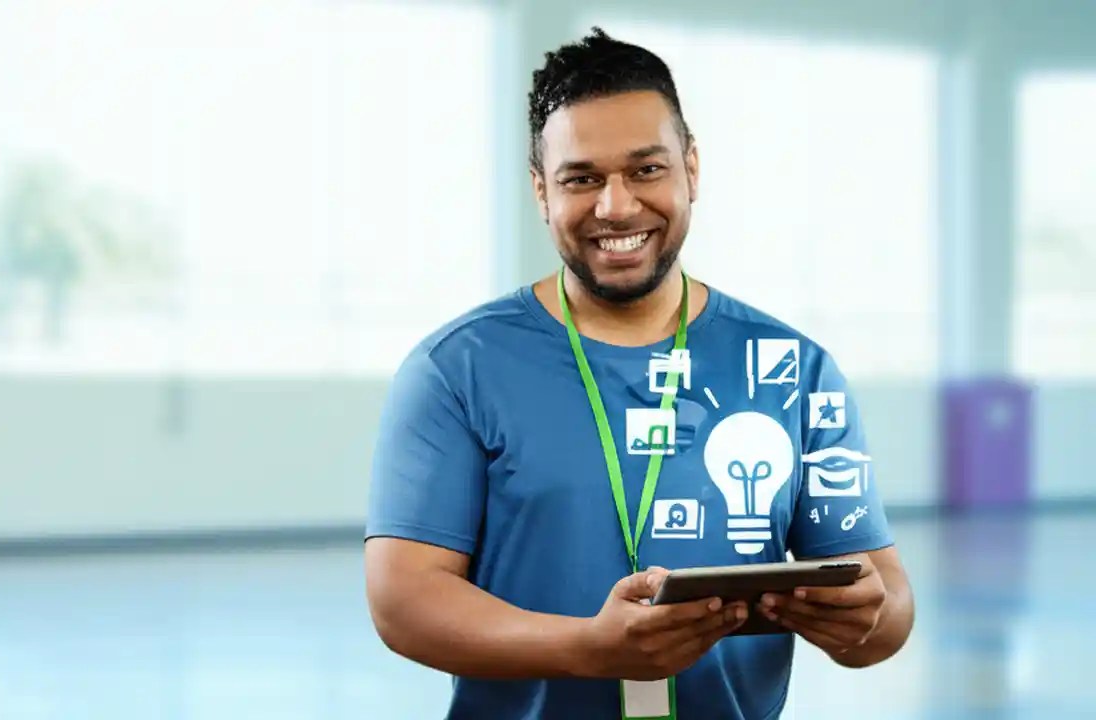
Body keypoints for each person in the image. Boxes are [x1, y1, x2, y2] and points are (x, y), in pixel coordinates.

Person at [363, 27, 914, 720]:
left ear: (692, 169)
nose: (616, 206)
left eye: (646, 170)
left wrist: (865, 619)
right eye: (582, 178)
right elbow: (404, 601)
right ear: (541, 190)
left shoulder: (793, 371)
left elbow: (886, 604)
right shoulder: (456, 370)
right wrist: (587, 648)